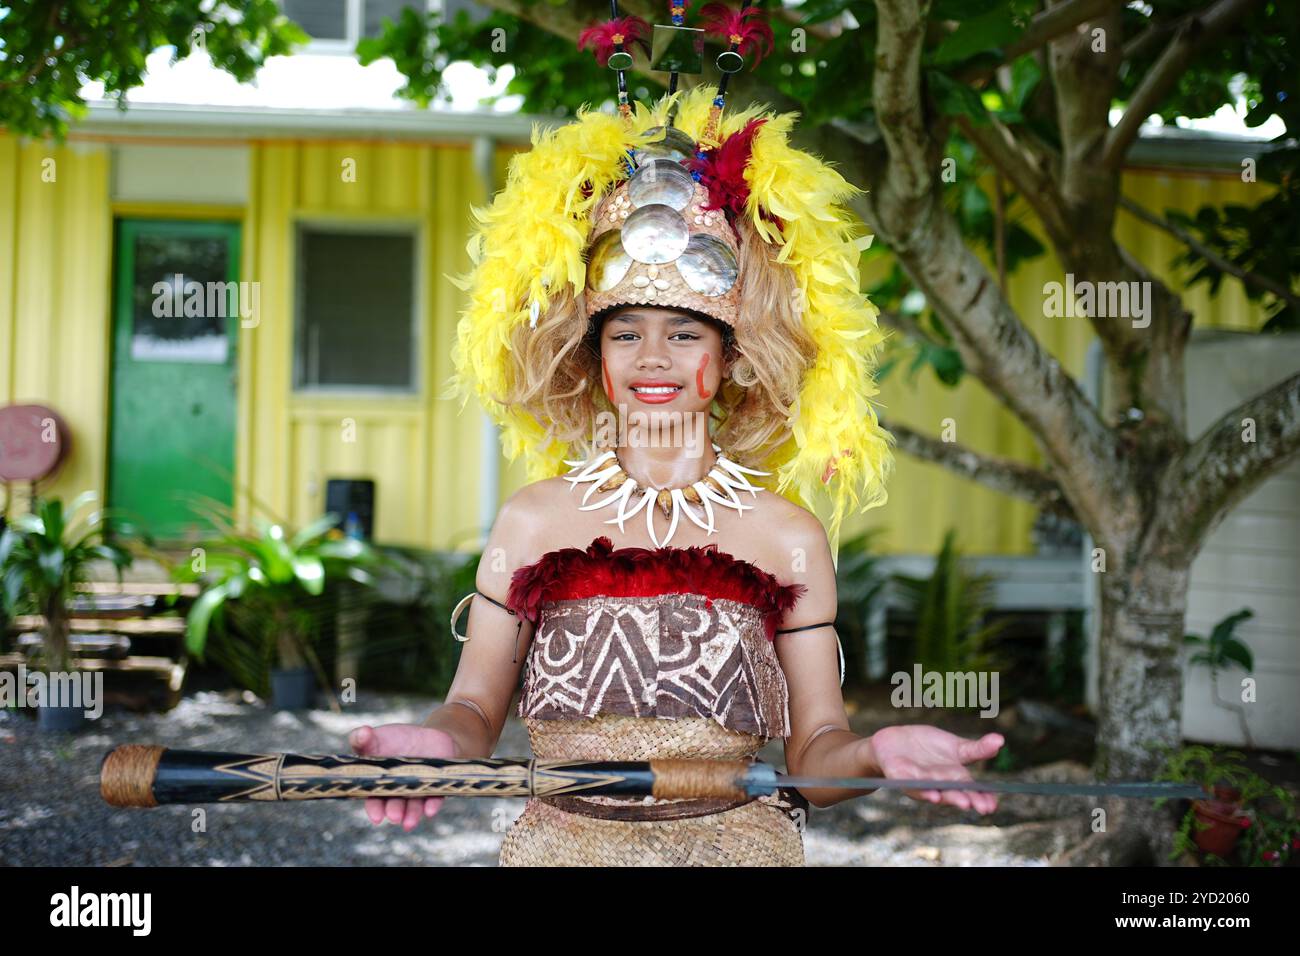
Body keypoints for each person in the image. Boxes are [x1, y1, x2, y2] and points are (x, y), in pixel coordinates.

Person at [349, 4, 1004, 865]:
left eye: (685, 334)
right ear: (590, 355)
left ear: (731, 356)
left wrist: (877, 752)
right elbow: (472, 713)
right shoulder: (532, 523)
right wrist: (439, 745)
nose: (652, 356)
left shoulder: (786, 537)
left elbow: (813, 759)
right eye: (625, 333)